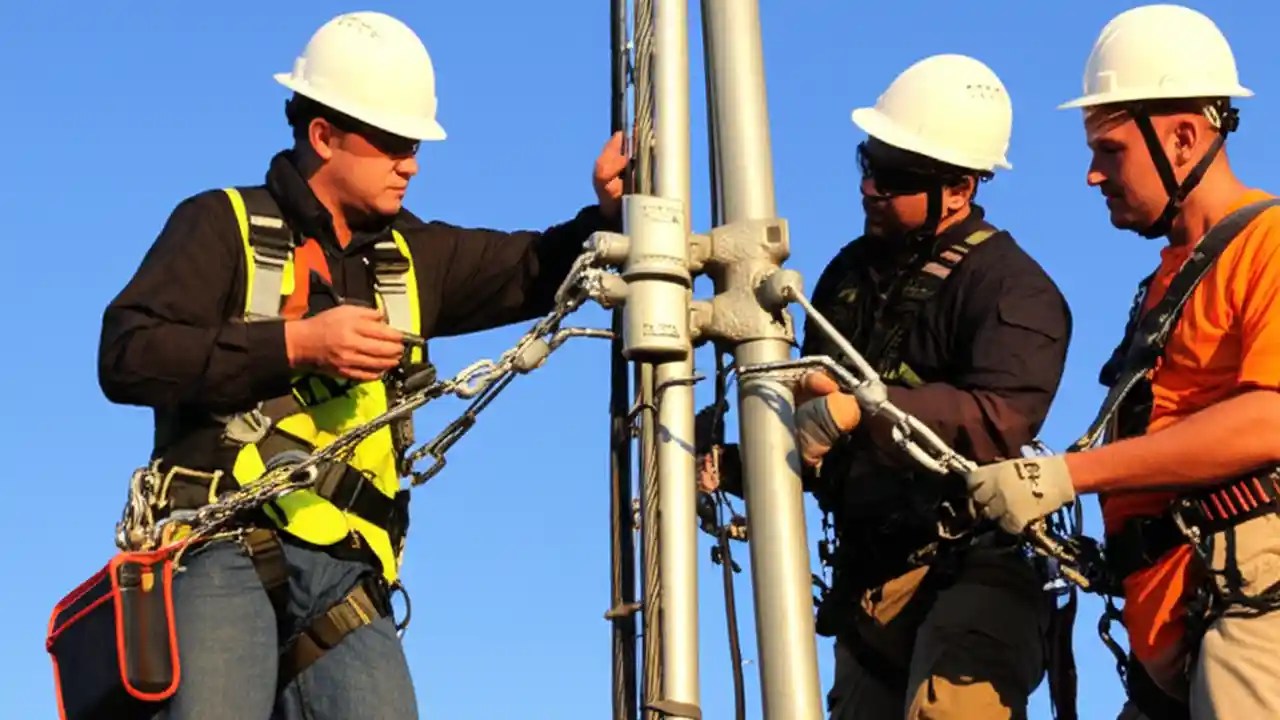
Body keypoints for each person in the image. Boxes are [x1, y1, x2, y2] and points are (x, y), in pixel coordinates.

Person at [94, 10, 626, 720]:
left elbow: (533, 266)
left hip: (347, 581)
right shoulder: (221, 224)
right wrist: (297, 346)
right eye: (393, 143)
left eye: (415, 144)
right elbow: (128, 355)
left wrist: (607, 215)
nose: (411, 163)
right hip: (220, 548)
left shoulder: (415, 256)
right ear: (323, 135)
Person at [702, 54, 1073, 719]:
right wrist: (735, 465)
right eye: (867, 164)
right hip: (871, 583)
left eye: (895, 177)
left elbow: (997, 420)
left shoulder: (1014, 291)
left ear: (959, 189)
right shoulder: (847, 278)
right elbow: (818, 448)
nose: (871, 188)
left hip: (974, 569)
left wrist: (857, 409)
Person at [963, 5, 1280, 719]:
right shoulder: (1170, 280)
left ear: (1183, 138)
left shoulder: (1269, 245)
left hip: (1255, 621)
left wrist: (1069, 476)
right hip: (1181, 638)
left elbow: (1271, 420)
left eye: (1110, 150)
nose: (1092, 175)